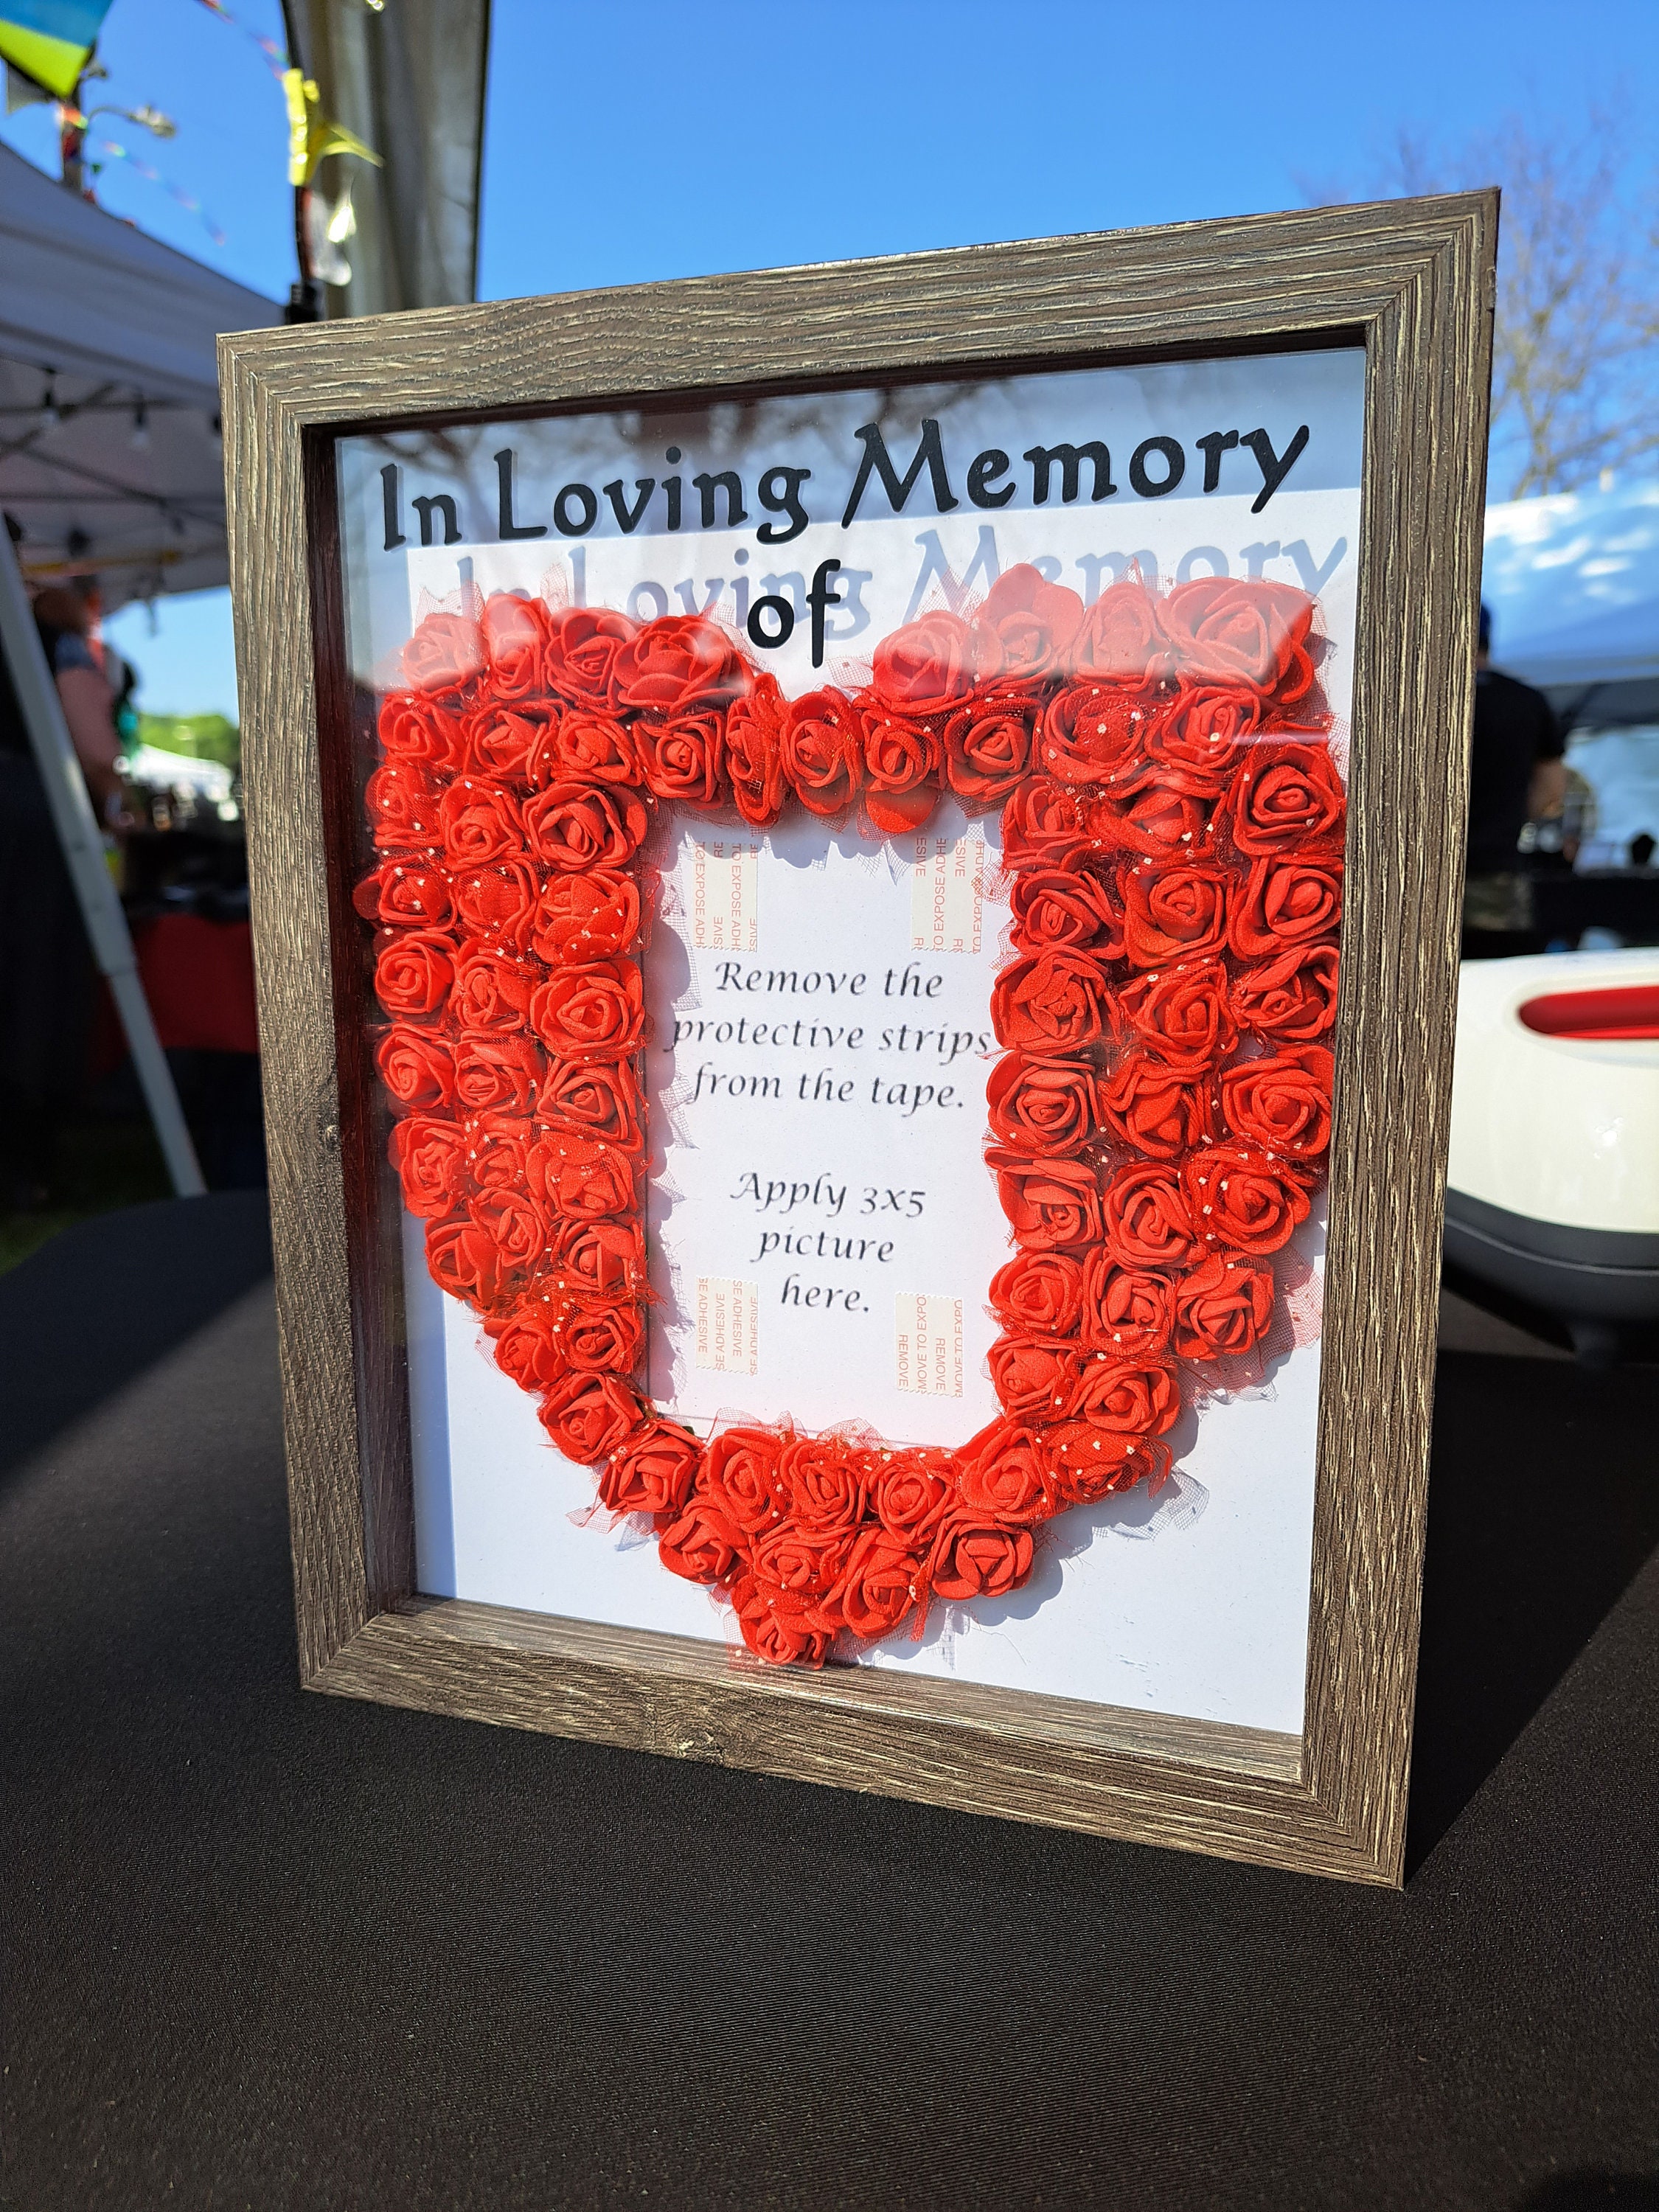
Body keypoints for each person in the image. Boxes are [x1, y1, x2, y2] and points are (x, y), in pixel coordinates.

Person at [0, 558, 118, 1208]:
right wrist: (113, 795)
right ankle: (28, 1169)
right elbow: (95, 748)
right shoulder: (51, 639)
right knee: (35, 986)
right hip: (28, 816)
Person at [1462, 603, 1566, 959]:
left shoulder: (1413, 701)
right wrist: (1510, 818)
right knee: (1496, 984)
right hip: (1497, 874)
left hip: (1416, 875)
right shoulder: (1527, 700)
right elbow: (1552, 789)